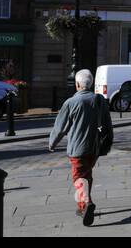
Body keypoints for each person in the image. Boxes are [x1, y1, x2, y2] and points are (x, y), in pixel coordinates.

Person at [47, 69, 113, 226]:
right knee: (86, 175)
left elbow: (60, 128)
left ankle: (87, 203)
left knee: (78, 177)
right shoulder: (100, 100)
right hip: (94, 147)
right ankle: (82, 207)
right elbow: (107, 124)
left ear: (77, 85)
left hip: (78, 148)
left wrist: (52, 143)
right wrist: (107, 143)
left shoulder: (71, 103)